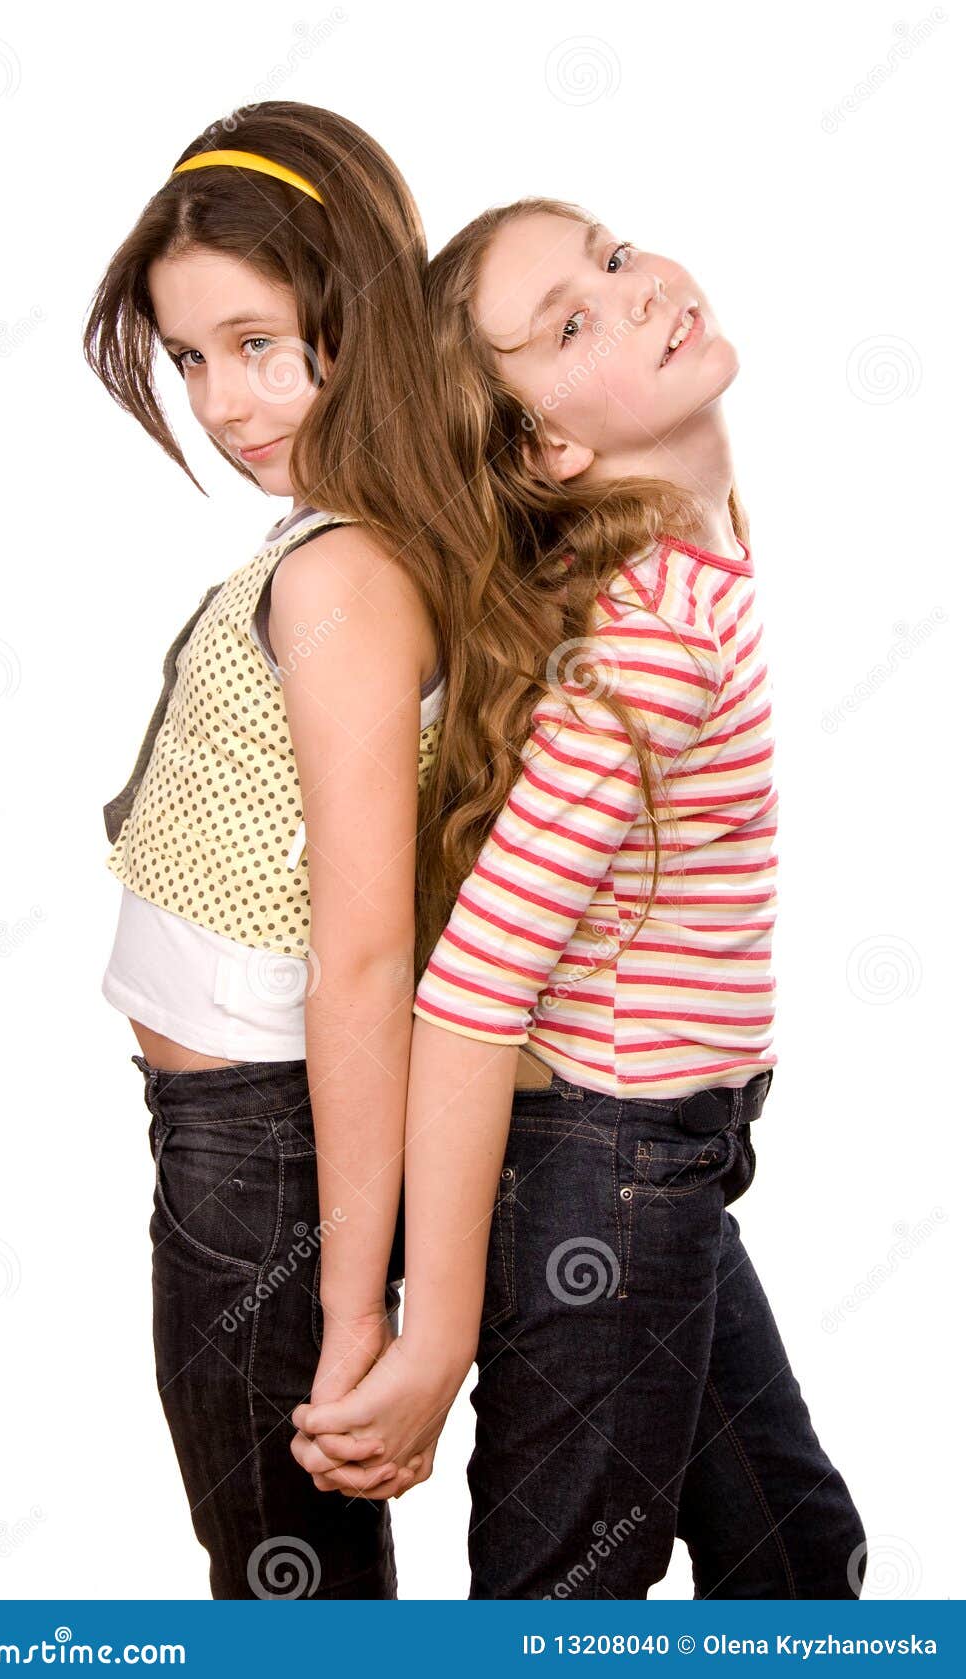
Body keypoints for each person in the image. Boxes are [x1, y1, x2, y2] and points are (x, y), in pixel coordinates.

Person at [290, 198, 869, 1600]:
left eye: (611, 257)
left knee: (795, 1559)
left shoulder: (678, 559)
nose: (636, 287)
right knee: (560, 1609)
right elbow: (478, 980)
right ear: (552, 446)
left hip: (665, 1166)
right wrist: (431, 1332)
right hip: (610, 1177)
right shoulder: (653, 636)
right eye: (569, 321)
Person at [84, 101, 487, 1599]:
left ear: (354, 308)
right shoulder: (343, 536)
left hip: (264, 1144)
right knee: (280, 1568)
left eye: (256, 342)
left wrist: (346, 1310)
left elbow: (368, 946)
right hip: (237, 1132)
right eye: (190, 359)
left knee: (281, 1578)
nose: (222, 401)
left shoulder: (348, 572)